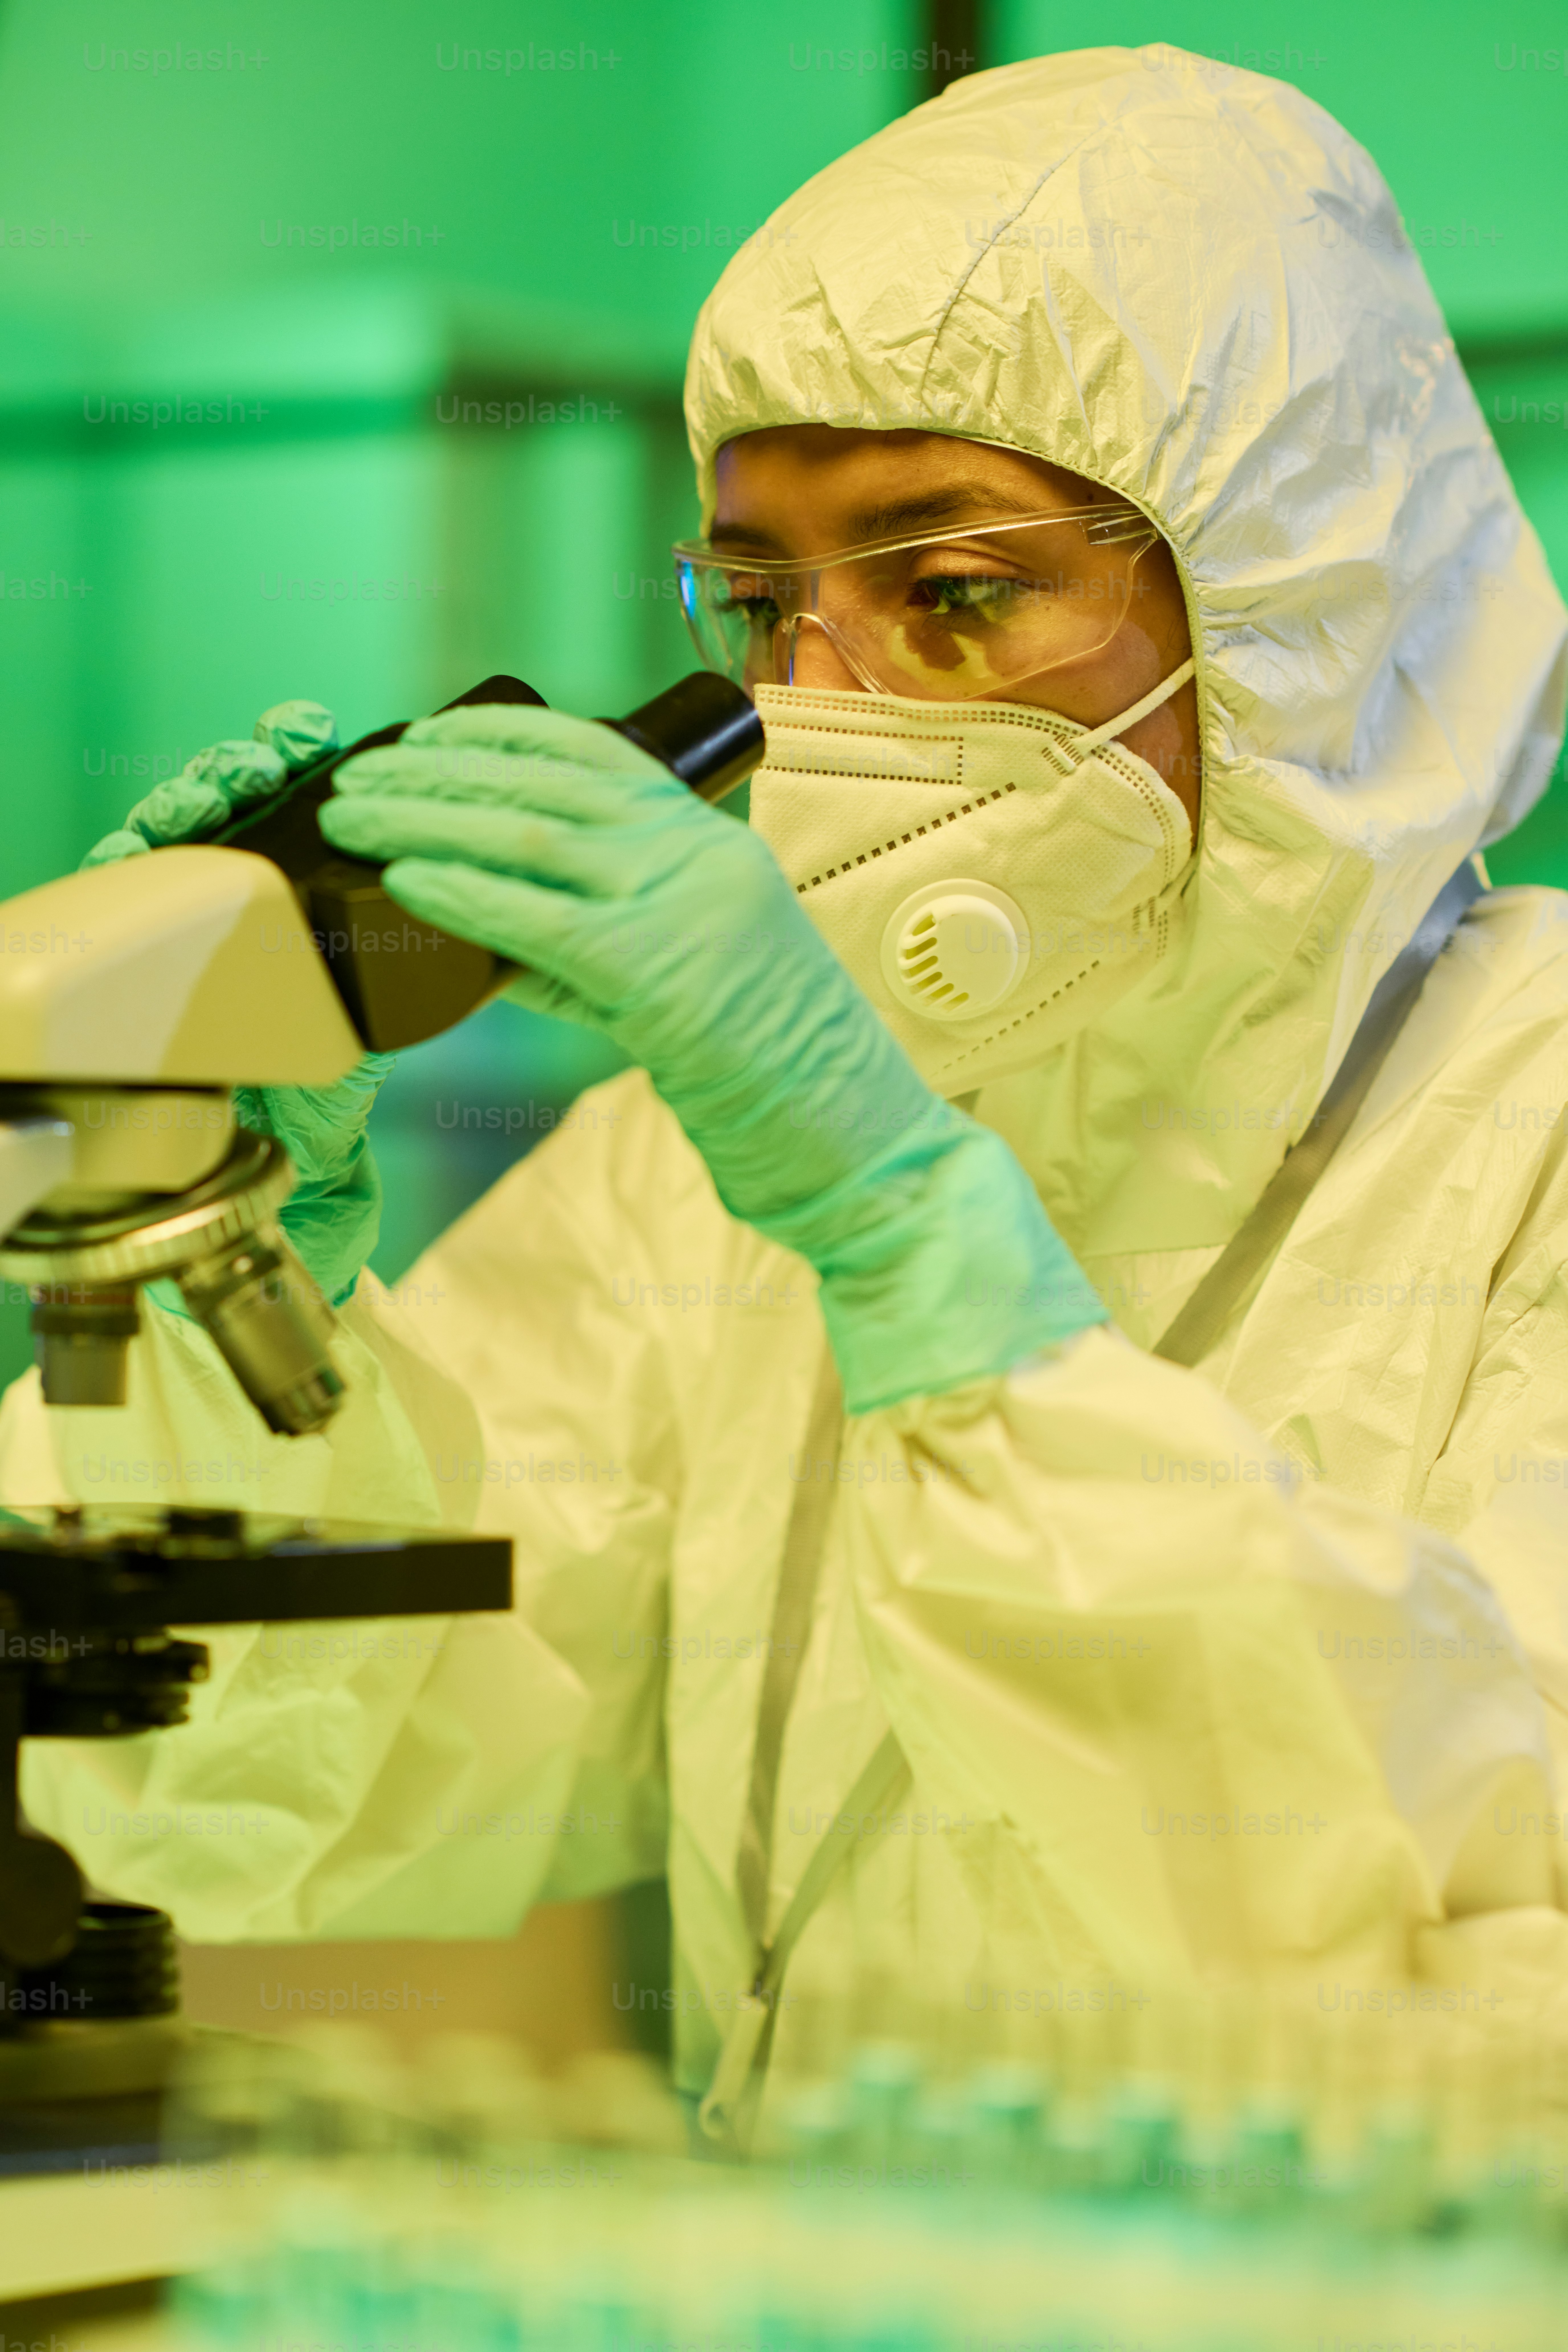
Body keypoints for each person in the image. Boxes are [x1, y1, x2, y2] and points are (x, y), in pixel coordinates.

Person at [7, 46, 1568, 2147]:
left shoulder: (1526, 1115)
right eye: (762, 605)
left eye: (950, 593)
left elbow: (1480, 1978)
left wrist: (923, 1257)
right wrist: (233, 1297)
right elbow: (323, 1825)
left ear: (1289, 611)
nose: (815, 713)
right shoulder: (698, 1168)